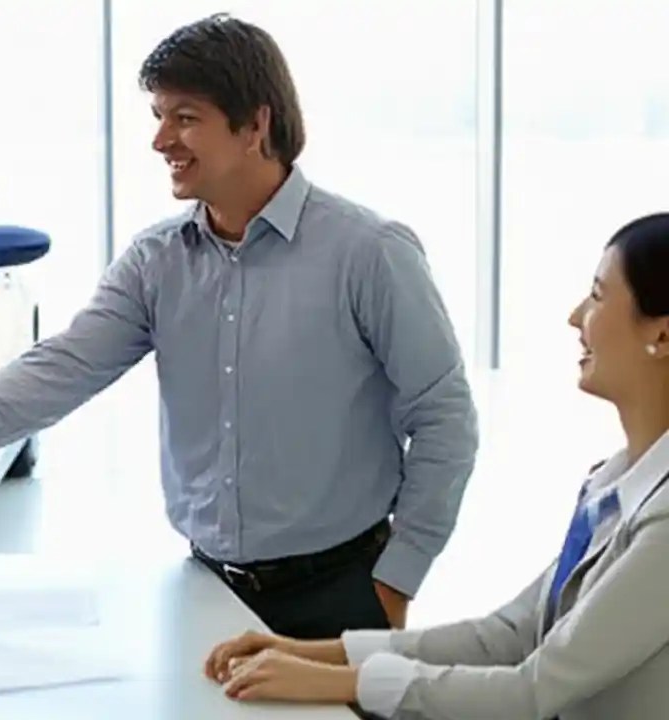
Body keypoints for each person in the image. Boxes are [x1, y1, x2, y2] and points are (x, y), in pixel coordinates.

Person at [0, 13, 477, 638]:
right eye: (158, 117)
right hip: (205, 590)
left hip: (340, 594)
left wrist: (397, 580)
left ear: (256, 124)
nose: (161, 141)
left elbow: (445, 416)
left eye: (185, 117)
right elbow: (61, 369)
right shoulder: (157, 261)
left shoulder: (369, 251)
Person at [204, 213, 669, 719]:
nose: (576, 316)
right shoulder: (616, 482)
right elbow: (509, 635)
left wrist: (340, 682)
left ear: (663, 338)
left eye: (598, 295)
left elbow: (534, 689)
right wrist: (304, 651)